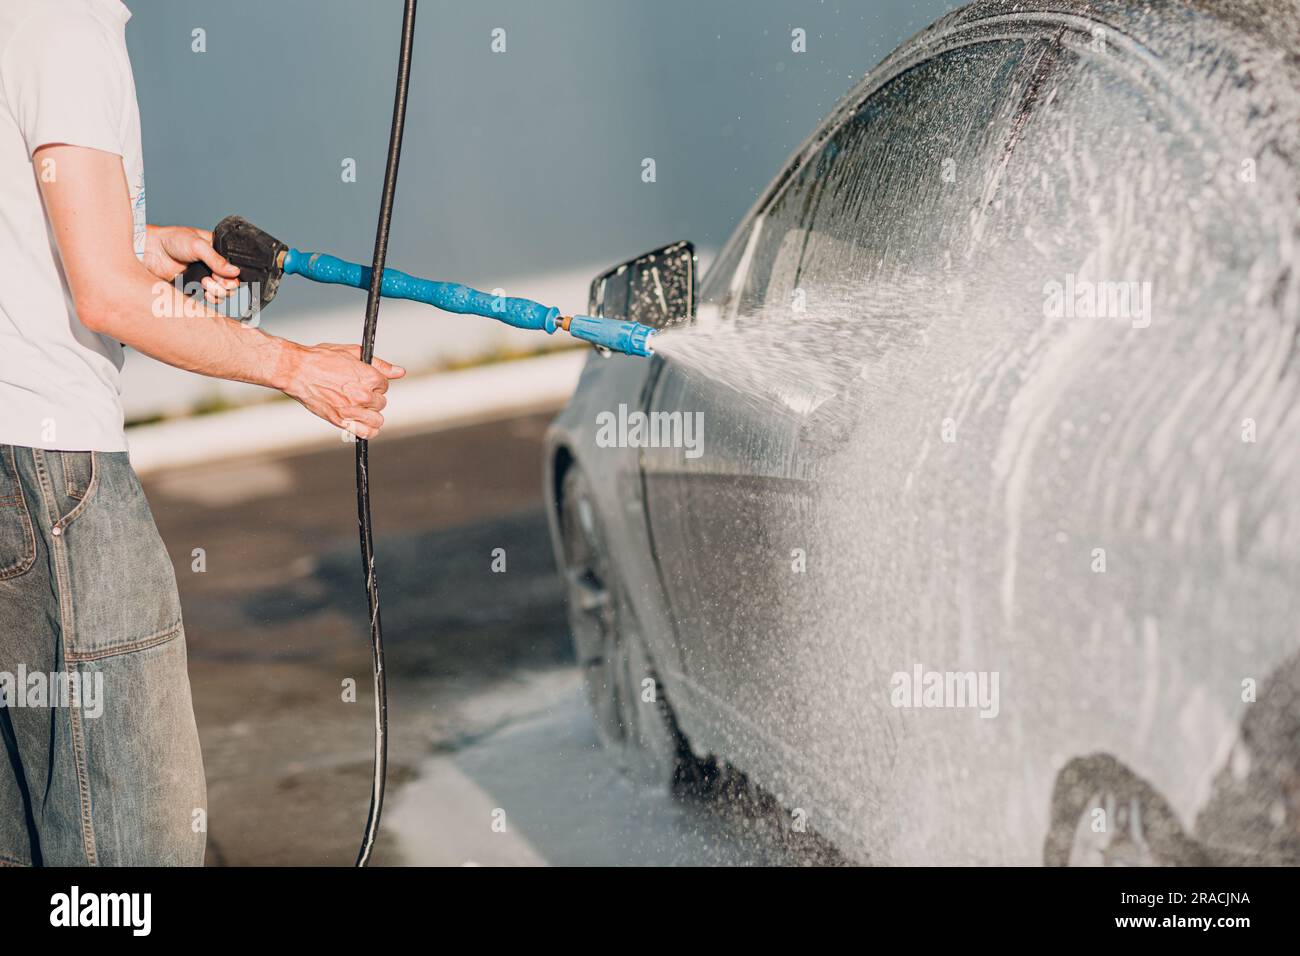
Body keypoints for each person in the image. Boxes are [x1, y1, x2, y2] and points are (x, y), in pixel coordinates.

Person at [0, 0, 404, 866]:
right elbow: (104, 297)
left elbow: (42, 237)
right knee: (131, 846)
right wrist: (299, 368)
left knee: (35, 820)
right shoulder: (67, 30)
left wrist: (142, 243)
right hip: (55, 475)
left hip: (16, 469)